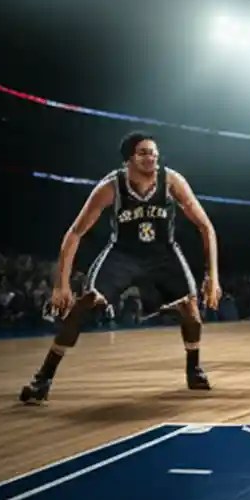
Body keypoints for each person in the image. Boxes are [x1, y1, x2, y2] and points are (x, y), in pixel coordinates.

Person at [19, 132, 221, 403]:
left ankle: (194, 369)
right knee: (85, 304)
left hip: (163, 254)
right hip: (123, 255)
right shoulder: (111, 186)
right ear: (129, 159)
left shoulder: (171, 181)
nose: (151, 157)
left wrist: (212, 276)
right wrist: (61, 285)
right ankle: (43, 378)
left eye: (154, 153)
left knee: (192, 312)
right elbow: (75, 233)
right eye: (144, 153)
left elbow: (205, 226)